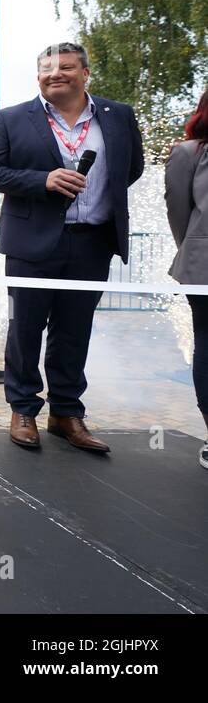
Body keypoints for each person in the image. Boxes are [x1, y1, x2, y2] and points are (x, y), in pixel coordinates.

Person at [0, 42, 143, 453]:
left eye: (66, 67)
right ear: (38, 77)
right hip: (31, 244)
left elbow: (131, 168)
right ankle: (23, 410)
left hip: (92, 242)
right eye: (47, 69)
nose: (55, 74)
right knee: (26, 330)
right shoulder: (13, 118)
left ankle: (66, 414)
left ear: (85, 73)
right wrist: (42, 181)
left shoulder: (118, 116)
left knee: (74, 332)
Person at [163, 88, 208, 469]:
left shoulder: (190, 153)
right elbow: (180, 213)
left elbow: (181, 215)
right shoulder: (190, 153)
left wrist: (195, 248)